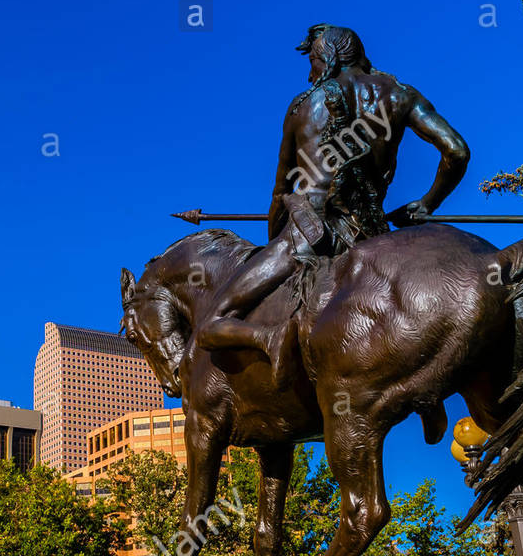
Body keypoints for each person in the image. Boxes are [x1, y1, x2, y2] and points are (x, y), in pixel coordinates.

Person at [195, 24, 471, 363]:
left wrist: (273, 243)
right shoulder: (401, 95)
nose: (310, 73)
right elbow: (457, 151)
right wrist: (427, 204)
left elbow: (281, 192)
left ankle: (272, 338)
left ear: (329, 57)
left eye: (312, 60)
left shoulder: (303, 107)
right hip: (371, 235)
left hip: (309, 236)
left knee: (212, 320)